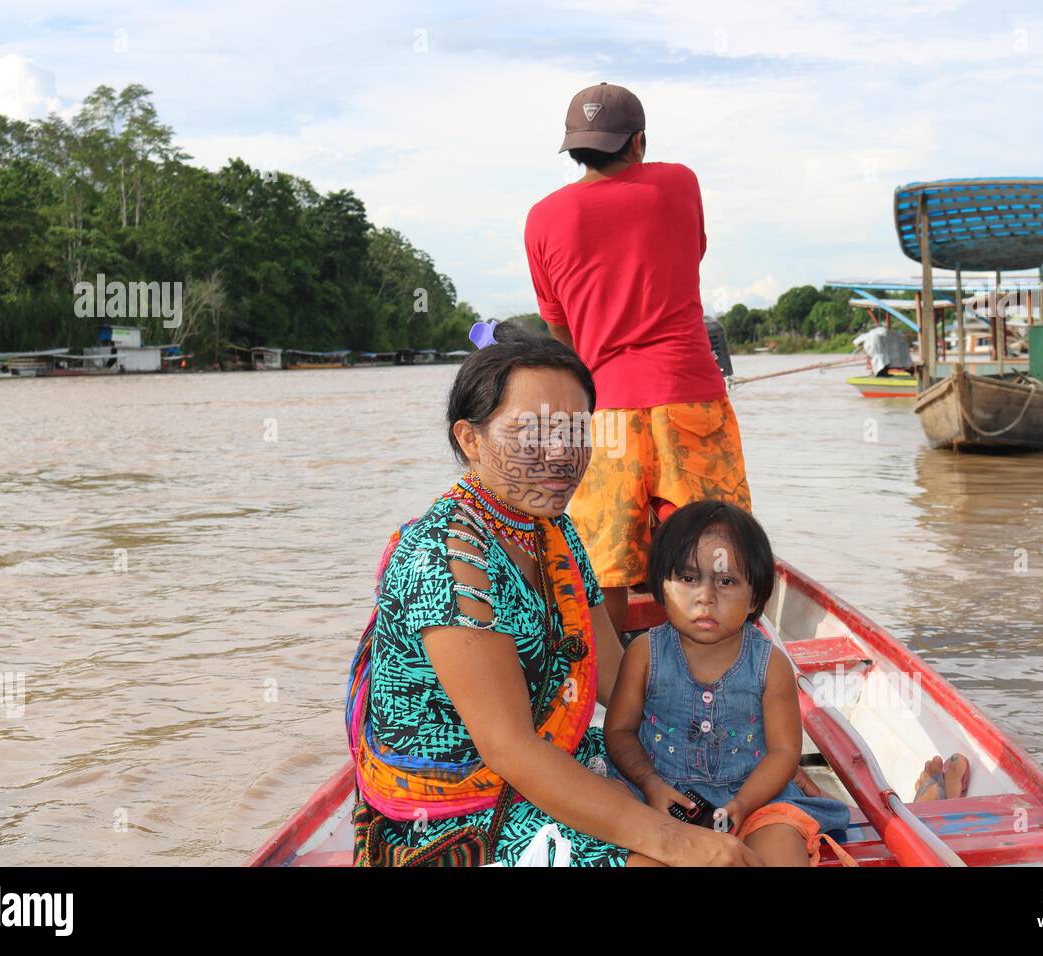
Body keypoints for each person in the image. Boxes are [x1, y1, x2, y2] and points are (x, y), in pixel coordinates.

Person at [345, 322, 761, 867]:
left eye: (576, 430)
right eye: (533, 433)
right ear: (469, 439)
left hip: (549, 763)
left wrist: (731, 723)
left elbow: (615, 677)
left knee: (736, 799)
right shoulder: (445, 557)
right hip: (456, 814)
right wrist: (678, 842)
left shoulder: (550, 531)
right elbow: (511, 748)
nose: (563, 455)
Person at [524, 82, 752, 636]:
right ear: (638, 142)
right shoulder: (679, 184)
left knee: (605, 564)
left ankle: (610, 692)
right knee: (715, 545)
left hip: (607, 411)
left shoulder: (542, 218)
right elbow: (690, 252)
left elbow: (561, 333)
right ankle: (718, 669)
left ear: (574, 148)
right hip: (690, 392)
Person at [604, 500, 854, 866]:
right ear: (661, 585)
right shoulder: (644, 654)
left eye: (726, 581)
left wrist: (742, 804)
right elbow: (620, 732)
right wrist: (651, 785)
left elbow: (783, 752)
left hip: (755, 800)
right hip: (658, 797)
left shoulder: (770, 664)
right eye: (688, 579)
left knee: (783, 849)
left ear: (755, 596)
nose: (706, 596)